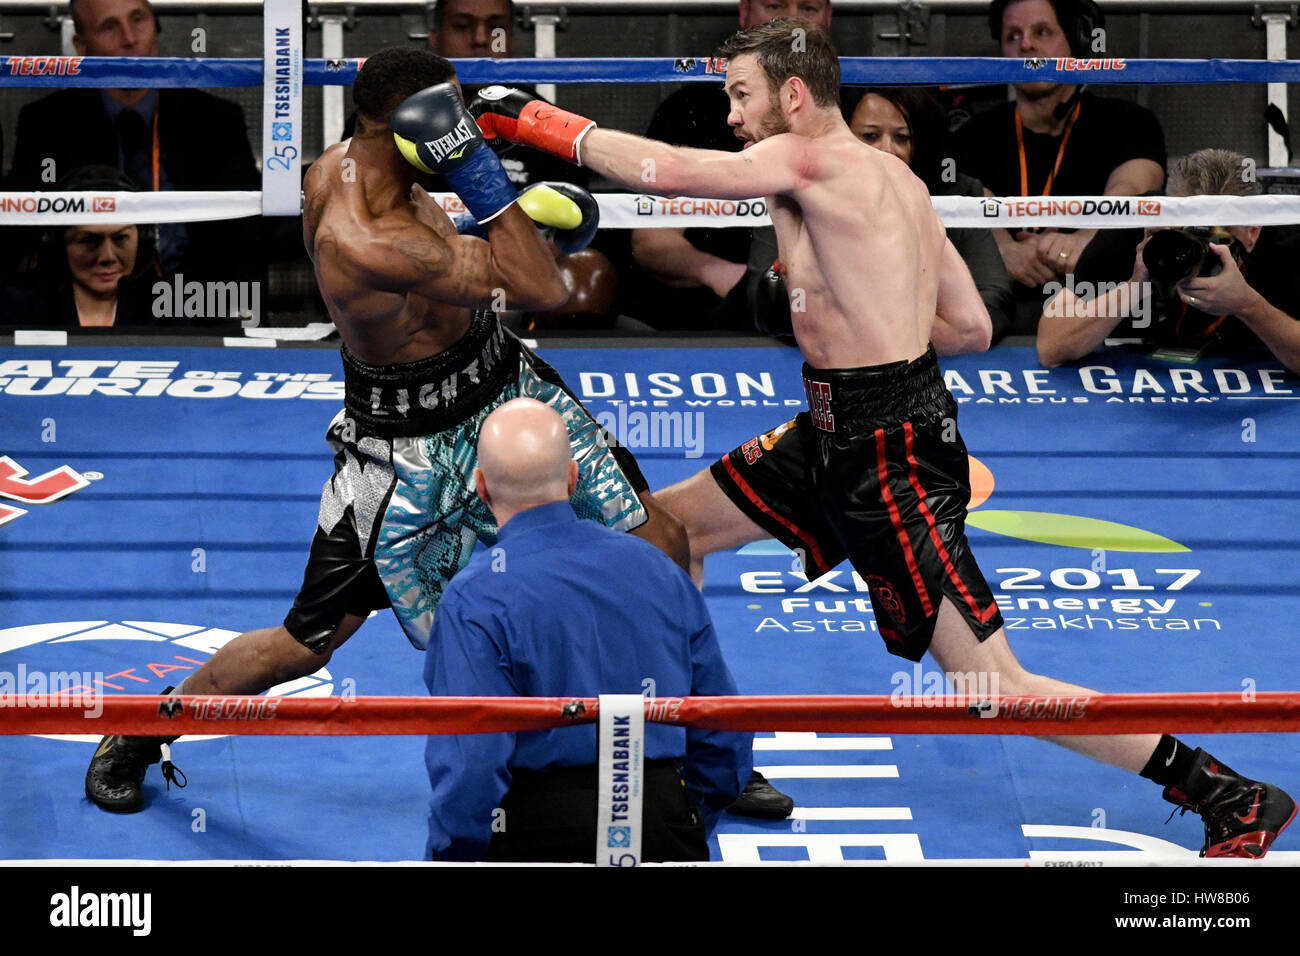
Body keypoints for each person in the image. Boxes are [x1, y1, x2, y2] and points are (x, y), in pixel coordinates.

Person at [470, 18, 1297, 857]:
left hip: (891, 454)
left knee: (991, 687)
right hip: (842, 425)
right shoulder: (897, 185)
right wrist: (859, 307)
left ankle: (1226, 791)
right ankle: (709, 756)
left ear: (793, 96)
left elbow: (677, 171)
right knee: (661, 530)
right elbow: (971, 327)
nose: (730, 115)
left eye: (740, 94)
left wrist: (532, 118)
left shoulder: (808, 156)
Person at [83, 46, 687, 815]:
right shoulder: (359, 238)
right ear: (414, 124)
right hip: (406, 452)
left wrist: (506, 208)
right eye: (455, 113)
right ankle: (142, 726)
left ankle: (696, 746)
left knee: (660, 541)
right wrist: (483, 180)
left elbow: (479, 265)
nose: (466, 124)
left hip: (503, 383)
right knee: (308, 642)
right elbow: (542, 287)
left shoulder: (367, 166)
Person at [423, 398, 753, 861]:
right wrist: (686, 814)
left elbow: (475, 758)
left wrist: (453, 852)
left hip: (535, 829)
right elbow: (720, 723)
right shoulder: (656, 569)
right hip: (660, 817)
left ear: (480, 487)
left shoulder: (474, 595)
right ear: (574, 477)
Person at [5, 0, 261, 283]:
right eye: (109, 27)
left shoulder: (215, 120)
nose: (129, 39)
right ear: (81, 46)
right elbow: (24, 232)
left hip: (197, 301)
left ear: (156, 25)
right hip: (90, 306)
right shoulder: (47, 123)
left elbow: (248, 233)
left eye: (138, 19)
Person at [952, 0, 1166, 333]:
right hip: (1002, 320)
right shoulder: (975, 133)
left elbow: (1133, 189)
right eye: (1012, 36)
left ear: (1076, 42)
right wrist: (1004, 251)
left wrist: (1087, 240)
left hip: (1102, 315)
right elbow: (971, 201)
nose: (1026, 45)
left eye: (1042, 31)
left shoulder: (1129, 122)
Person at [624, 0, 832, 331]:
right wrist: (724, 276)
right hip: (706, 321)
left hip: (829, 318)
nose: (792, 24)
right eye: (775, 4)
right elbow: (651, 241)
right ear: (745, 12)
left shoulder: (853, 116)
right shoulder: (690, 111)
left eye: (808, 8)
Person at [1038, 148, 1300, 371]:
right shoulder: (1136, 225)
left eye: (1218, 236)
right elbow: (1052, 347)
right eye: (1189, 231)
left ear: (1253, 231)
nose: (1203, 251)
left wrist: (1249, 306)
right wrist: (1135, 284)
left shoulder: (1286, 245)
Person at [0, 166, 159, 328]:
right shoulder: (17, 310)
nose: (108, 257)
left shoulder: (167, 310)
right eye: (89, 240)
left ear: (143, 239)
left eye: (121, 238)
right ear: (59, 246)